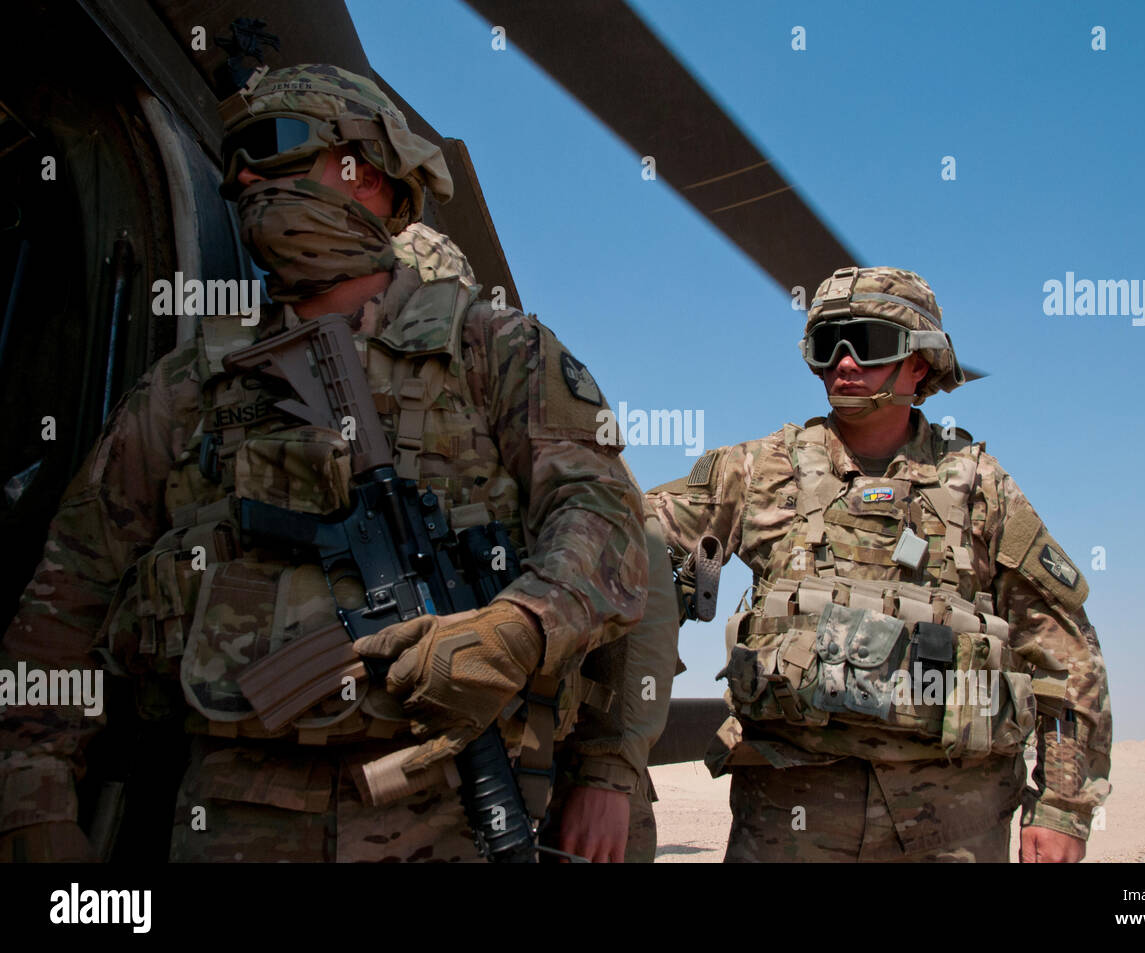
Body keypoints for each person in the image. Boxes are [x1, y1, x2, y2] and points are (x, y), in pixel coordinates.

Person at [0, 63, 664, 863]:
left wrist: (522, 627)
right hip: (232, 818)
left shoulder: (497, 350)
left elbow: (607, 520)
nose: (241, 175)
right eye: (232, 158)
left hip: (454, 807)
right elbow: (66, 595)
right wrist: (29, 797)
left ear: (369, 170)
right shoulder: (190, 384)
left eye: (270, 146)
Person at [647, 265, 1112, 862]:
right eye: (826, 345)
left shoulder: (981, 488)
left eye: (866, 343)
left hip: (954, 825)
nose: (843, 362)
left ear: (919, 364)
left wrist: (1061, 811)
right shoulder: (759, 470)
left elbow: (1066, 653)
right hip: (790, 817)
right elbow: (630, 544)